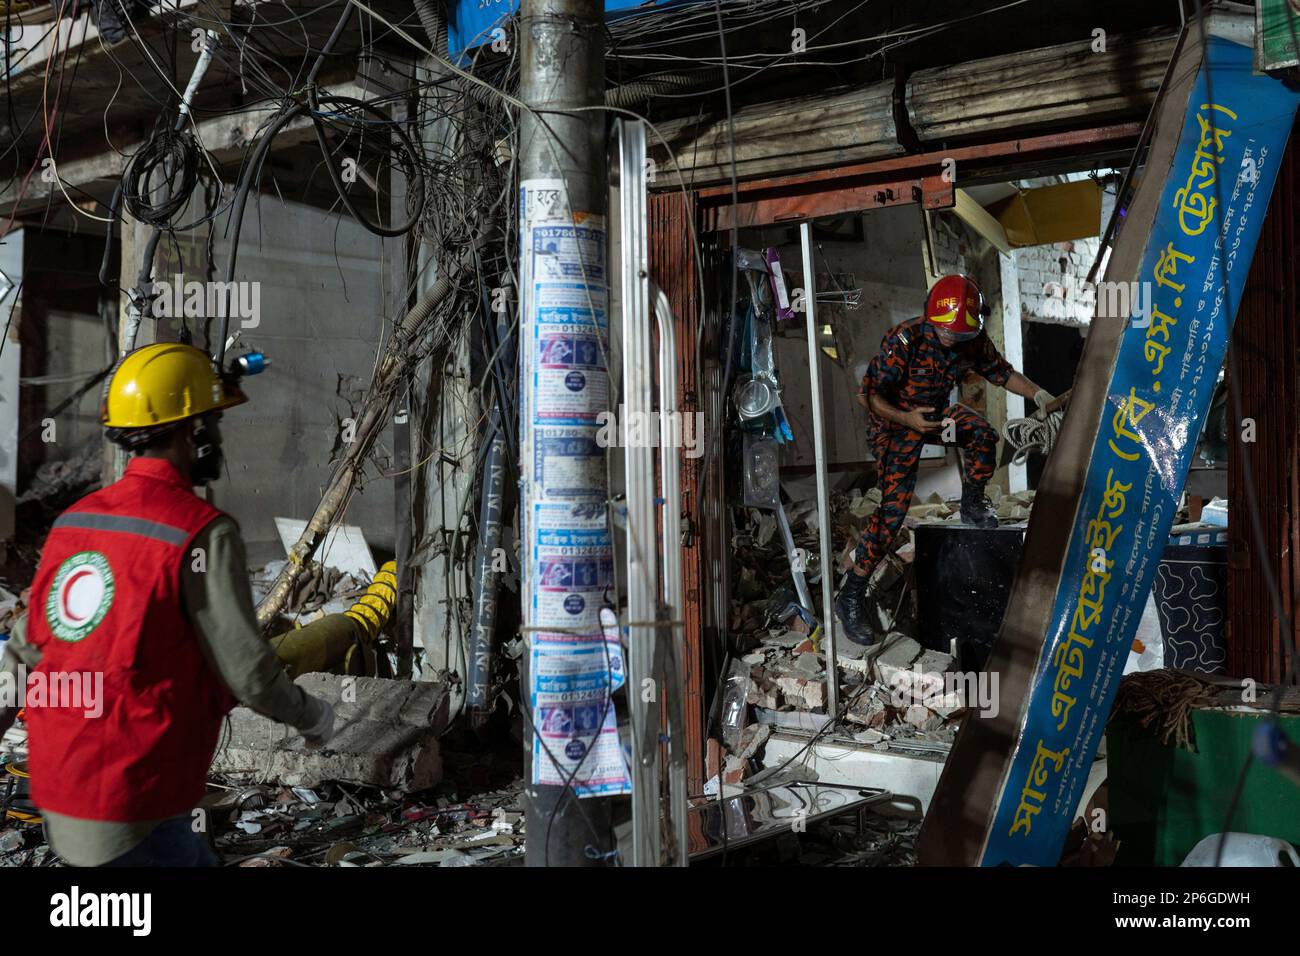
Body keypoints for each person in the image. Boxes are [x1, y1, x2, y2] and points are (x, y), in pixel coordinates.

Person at [0, 342, 335, 866]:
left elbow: (24, 650)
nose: (215, 437)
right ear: (191, 432)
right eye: (211, 423)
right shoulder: (200, 532)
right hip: (136, 798)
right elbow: (247, 672)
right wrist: (312, 716)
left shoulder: (75, 522)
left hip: (61, 791)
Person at [834, 275, 1053, 646]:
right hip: (895, 423)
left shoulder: (972, 339)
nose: (952, 339)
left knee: (982, 435)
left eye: (960, 335)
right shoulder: (904, 340)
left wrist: (1038, 393)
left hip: (935, 416)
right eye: (946, 333)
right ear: (931, 318)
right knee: (893, 513)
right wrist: (907, 419)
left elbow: (1002, 374)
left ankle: (971, 503)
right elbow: (867, 397)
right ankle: (851, 594)